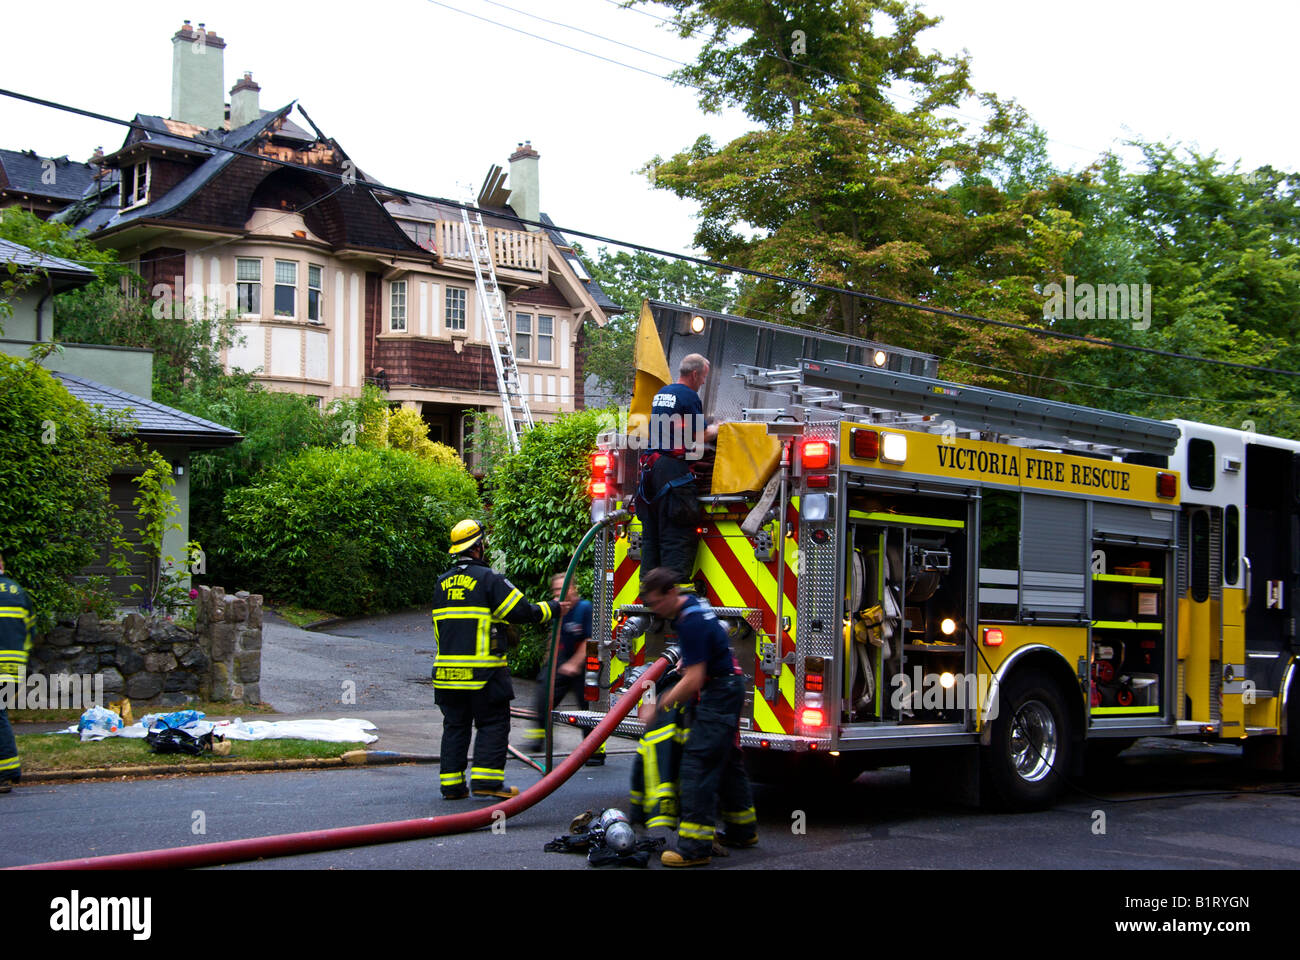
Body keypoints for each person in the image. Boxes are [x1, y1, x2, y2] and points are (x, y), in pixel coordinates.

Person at [432, 519, 568, 800]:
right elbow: (522, 611)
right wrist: (554, 609)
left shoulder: (441, 583)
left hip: (446, 674)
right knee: (493, 722)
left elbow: (442, 629)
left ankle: (452, 786)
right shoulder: (489, 578)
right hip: (484, 673)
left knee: (455, 726)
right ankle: (487, 782)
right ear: (479, 546)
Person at [637, 566, 756, 866]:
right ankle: (743, 829)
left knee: (698, 764)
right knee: (727, 759)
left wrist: (659, 703)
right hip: (727, 686)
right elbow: (699, 657)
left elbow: (694, 679)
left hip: (718, 692)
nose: (655, 609)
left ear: (671, 592)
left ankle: (694, 848)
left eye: (656, 602)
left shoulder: (688, 621)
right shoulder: (693, 607)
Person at [637, 353, 718, 585]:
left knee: (652, 536)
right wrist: (718, 428)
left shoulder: (662, 394)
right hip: (671, 471)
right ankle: (674, 594)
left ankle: (649, 595)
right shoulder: (688, 395)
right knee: (676, 534)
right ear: (694, 374)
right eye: (703, 377)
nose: (703, 382)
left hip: (650, 472)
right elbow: (699, 435)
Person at [523, 573, 604, 765]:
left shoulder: (584, 608)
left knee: (587, 709)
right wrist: (548, 663)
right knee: (544, 695)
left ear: (572, 588)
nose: (558, 593)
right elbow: (555, 634)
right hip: (564, 661)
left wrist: (574, 664)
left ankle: (594, 751)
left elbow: (589, 640)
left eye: (562, 589)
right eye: (556, 590)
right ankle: (540, 741)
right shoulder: (560, 610)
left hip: (583, 663)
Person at [0, 551, 34, 795]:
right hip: (14, 667)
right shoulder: (18, 592)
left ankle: (6, 772)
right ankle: (9, 769)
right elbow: (30, 632)